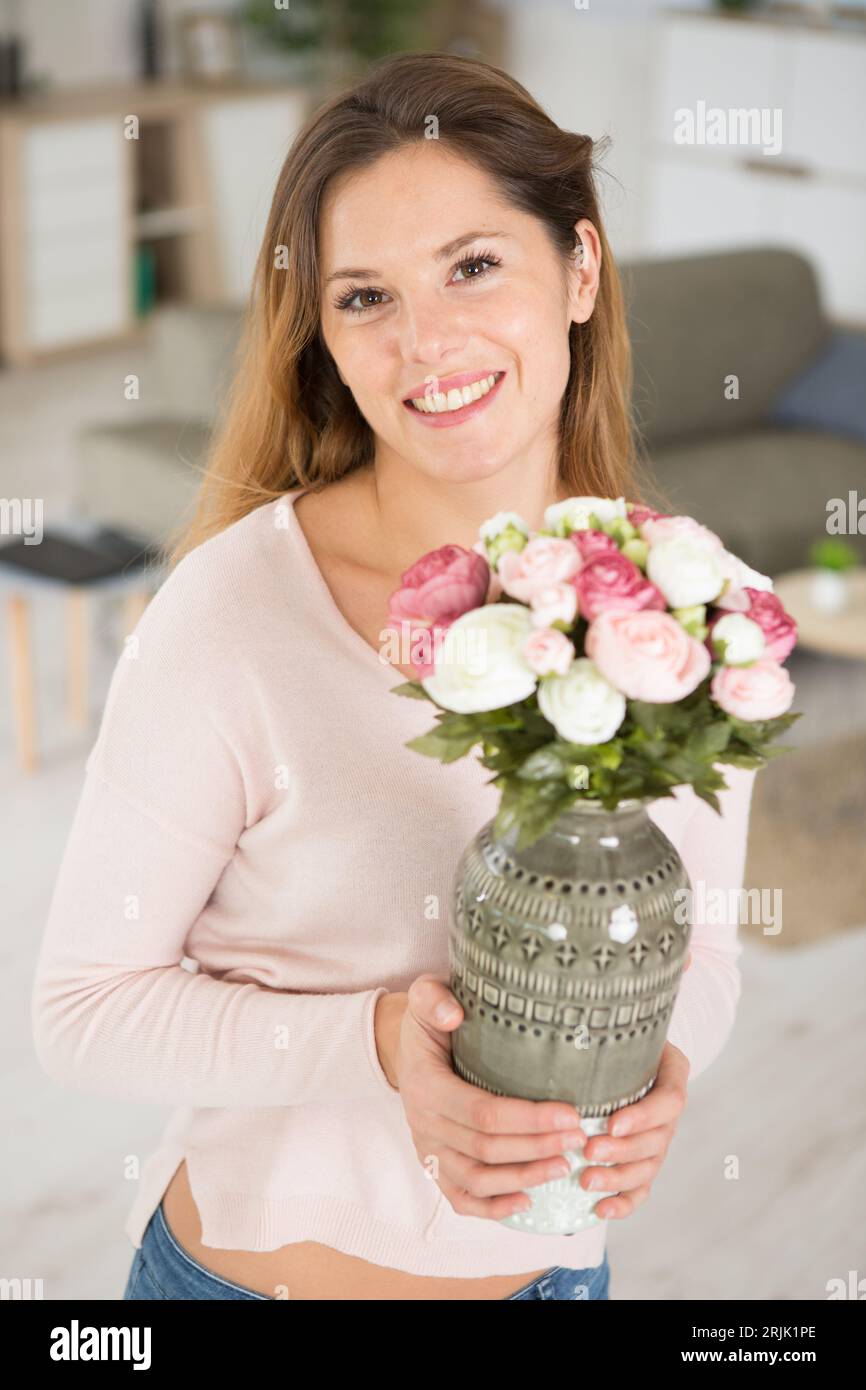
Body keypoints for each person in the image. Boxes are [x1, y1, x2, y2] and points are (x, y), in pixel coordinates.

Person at [31, 52, 756, 1301]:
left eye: (474, 265)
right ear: (322, 332)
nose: (426, 342)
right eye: (364, 296)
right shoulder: (235, 614)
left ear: (578, 271)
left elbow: (703, 952)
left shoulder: (688, 609)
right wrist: (376, 1041)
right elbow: (83, 1009)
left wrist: (661, 1064)